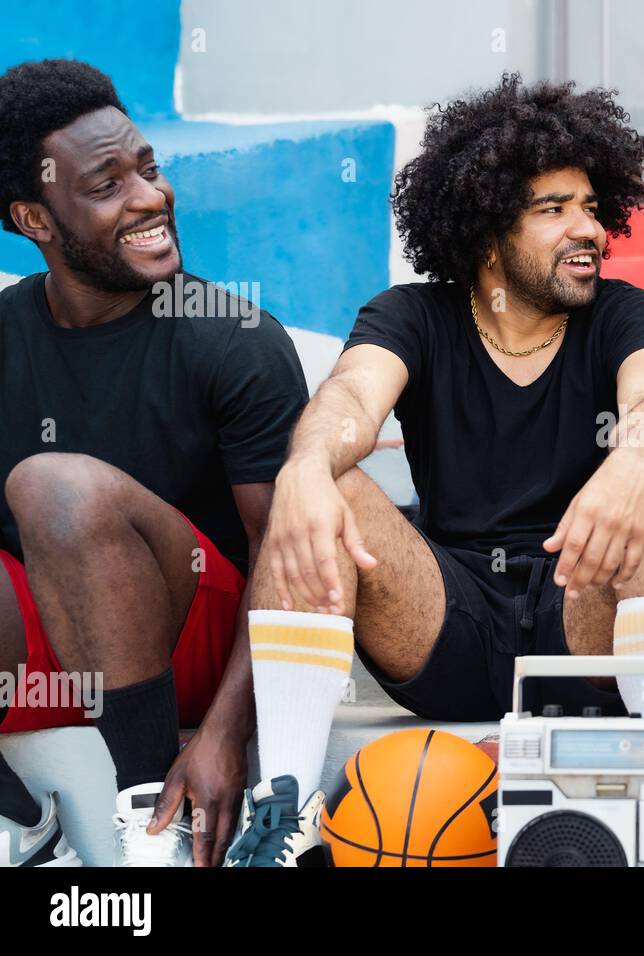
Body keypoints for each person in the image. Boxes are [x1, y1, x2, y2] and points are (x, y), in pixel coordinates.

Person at [222, 75, 644, 867]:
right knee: (321, 481)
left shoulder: (626, 313)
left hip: (577, 613)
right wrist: (306, 468)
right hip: (448, 621)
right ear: (488, 233)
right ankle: (284, 808)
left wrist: (631, 462)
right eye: (554, 210)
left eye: (591, 206)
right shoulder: (410, 315)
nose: (586, 227)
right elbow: (350, 395)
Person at [0, 59, 308, 867]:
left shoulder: (230, 338)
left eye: (148, 168)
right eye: (106, 186)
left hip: (194, 637)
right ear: (34, 218)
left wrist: (223, 737)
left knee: (54, 485)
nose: (149, 198)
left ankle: (150, 814)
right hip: (44, 656)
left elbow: (288, 556)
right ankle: (14, 813)